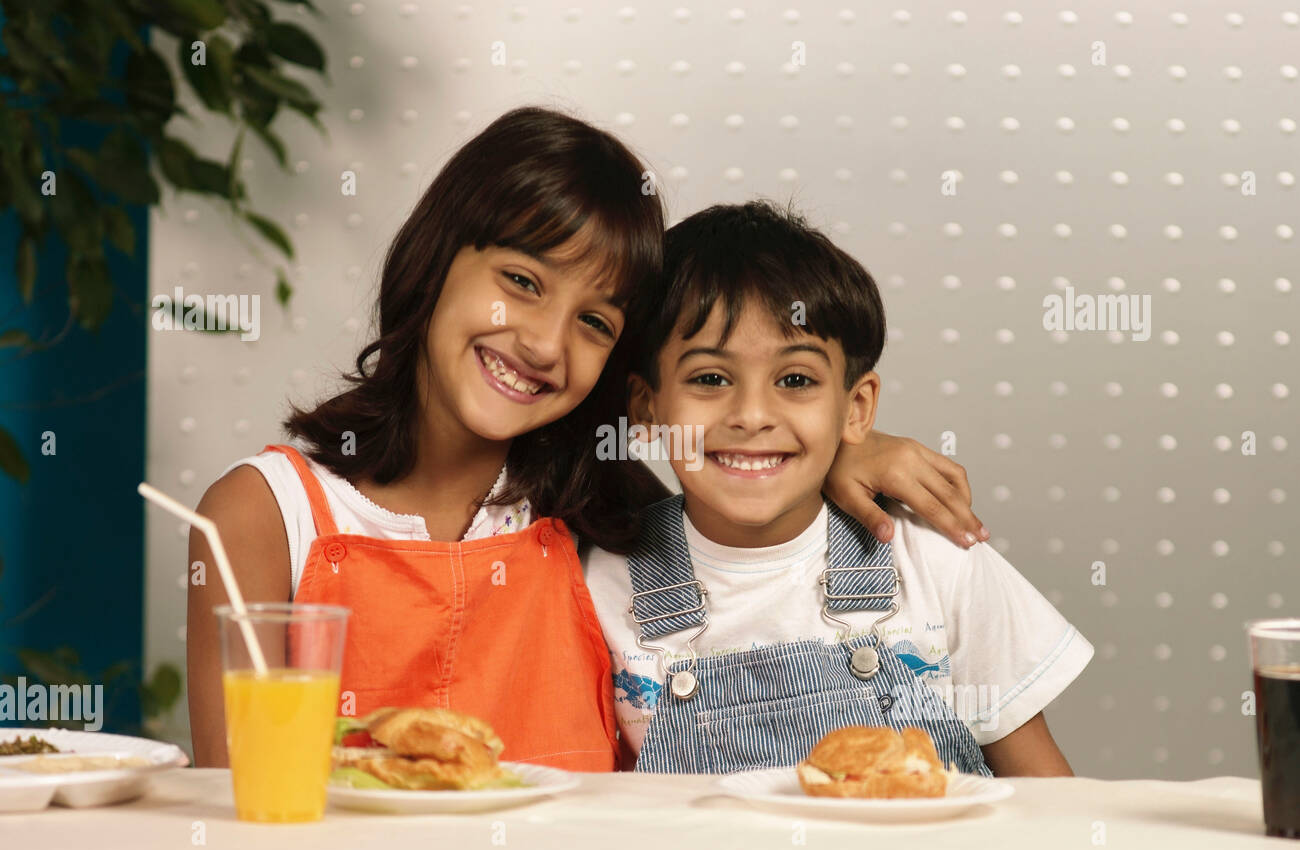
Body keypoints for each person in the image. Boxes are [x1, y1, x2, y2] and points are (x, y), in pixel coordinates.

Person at [187, 106, 988, 770]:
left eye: (595, 322)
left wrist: (847, 453)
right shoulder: (261, 517)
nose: (543, 343)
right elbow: (241, 812)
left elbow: (746, 500)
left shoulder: (598, 512)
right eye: (522, 283)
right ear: (436, 260)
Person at [582, 199, 1094, 776]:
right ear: (647, 406)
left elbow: (1050, 803)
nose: (751, 415)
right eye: (710, 378)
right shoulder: (598, 589)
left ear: (856, 409)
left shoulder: (935, 562)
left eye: (795, 380)